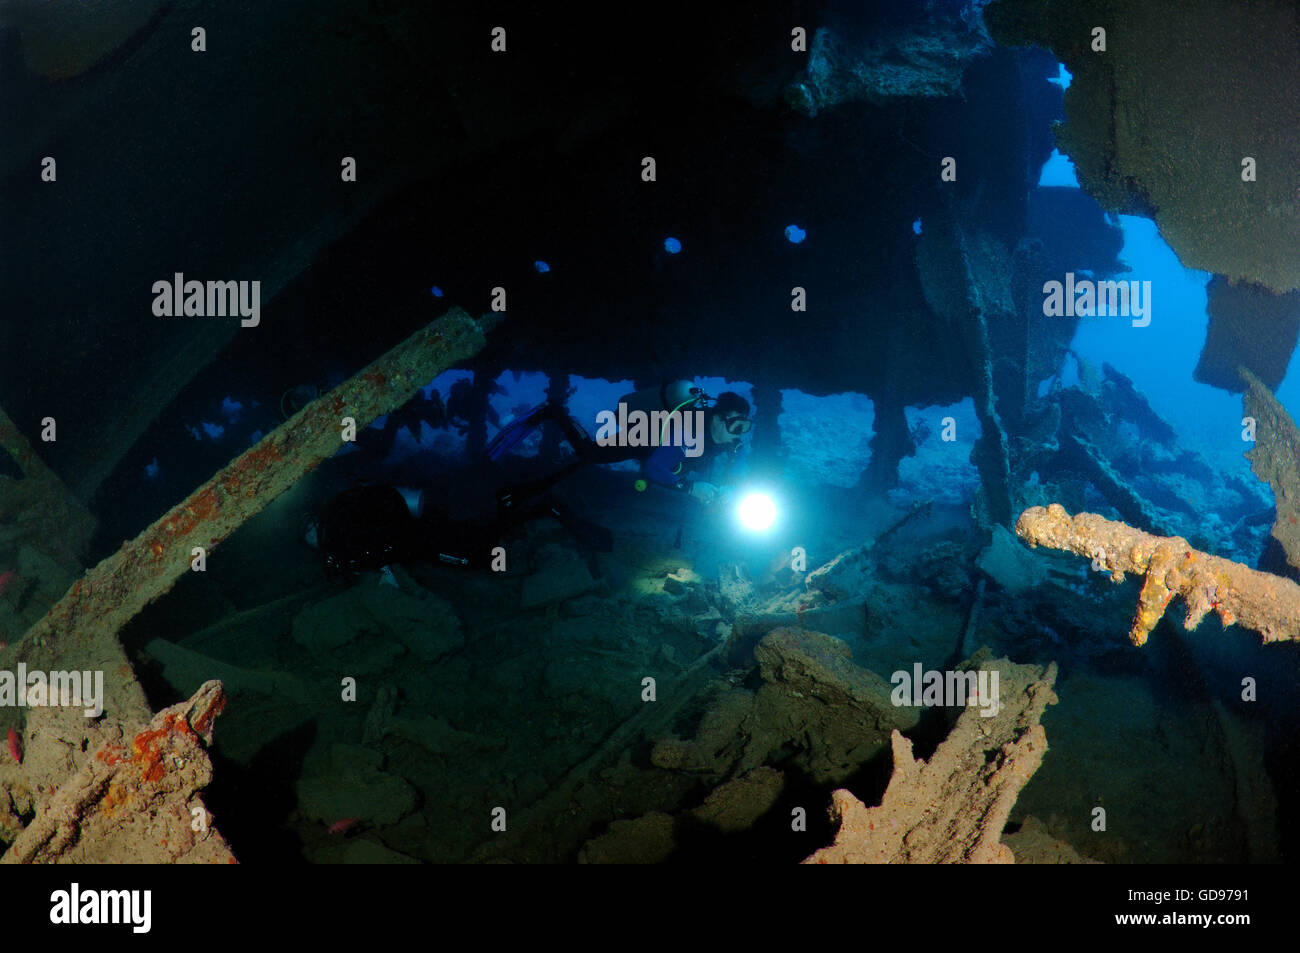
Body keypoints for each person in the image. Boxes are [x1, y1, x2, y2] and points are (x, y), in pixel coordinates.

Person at [485, 381, 752, 507]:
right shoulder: (690, 433)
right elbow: (655, 469)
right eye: (736, 426)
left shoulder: (724, 442)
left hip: (654, 446)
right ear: (717, 419)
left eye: (745, 427)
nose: (739, 434)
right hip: (643, 435)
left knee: (587, 458)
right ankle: (554, 411)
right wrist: (692, 488)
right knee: (589, 453)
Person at [304, 482, 612, 579]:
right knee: (469, 537)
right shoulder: (344, 519)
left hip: (418, 537)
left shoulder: (344, 535)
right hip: (419, 530)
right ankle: (518, 508)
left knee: (477, 557)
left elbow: (379, 548)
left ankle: (518, 506)